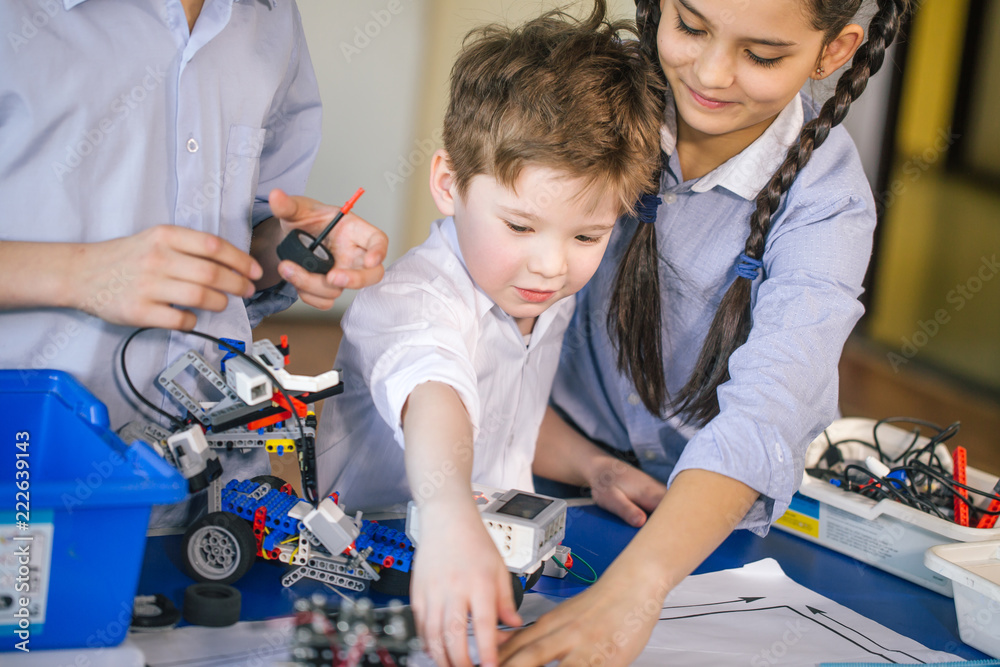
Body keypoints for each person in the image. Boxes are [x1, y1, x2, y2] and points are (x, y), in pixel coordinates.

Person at [498, 0, 914, 665]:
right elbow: (480, 332)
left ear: (835, 51)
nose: (713, 74)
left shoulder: (828, 204)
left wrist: (636, 588)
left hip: (697, 522)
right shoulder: (583, 99)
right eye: (691, 27)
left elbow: (767, 411)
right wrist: (590, 464)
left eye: (762, 55)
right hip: (531, 458)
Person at [314, 3, 664, 665]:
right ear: (450, 183)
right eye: (522, 226)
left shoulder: (538, 292)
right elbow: (438, 399)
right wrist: (450, 516)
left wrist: (595, 464)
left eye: (588, 235)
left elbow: (502, 413)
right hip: (382, 565)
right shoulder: (414, 299)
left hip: (494, 560)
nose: (551, 263)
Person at [0, 0, 387, 525]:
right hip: (29, 482)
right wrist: (77, 273)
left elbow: (246, 236)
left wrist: (287, 246)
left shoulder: (273, 18)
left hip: (213, 502)